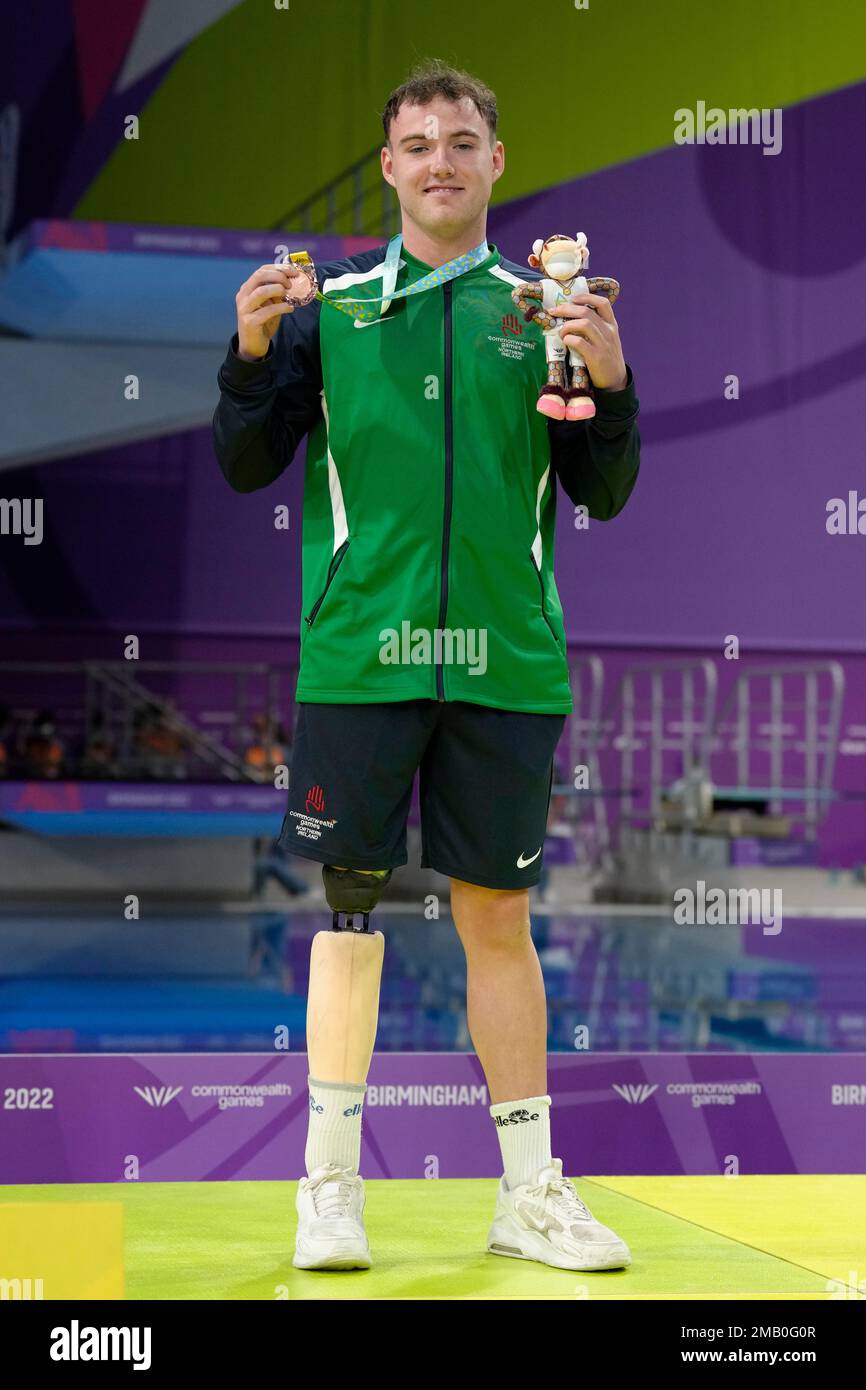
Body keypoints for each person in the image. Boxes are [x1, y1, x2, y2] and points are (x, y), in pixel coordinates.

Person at [213, 60, 640, 1274]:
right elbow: (248, 463)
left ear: (497, 161)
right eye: (416, 143)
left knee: (496, 916)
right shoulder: (330, 315)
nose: (440, 160)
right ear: (390, 167)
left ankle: (527, 1192)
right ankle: (329, 1188)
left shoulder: (543, 313)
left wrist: (606, 384)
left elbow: (604, 486)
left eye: (462, 139)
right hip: (364, 655)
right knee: (350, 913)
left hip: (505, 661)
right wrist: (249, 361)